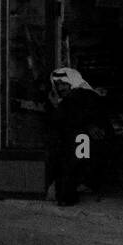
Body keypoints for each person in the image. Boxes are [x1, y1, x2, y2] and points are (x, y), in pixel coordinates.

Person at [46, 67, 111, 206]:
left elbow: (75, 119)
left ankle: (67, 194)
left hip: (89, 144)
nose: (61, 87)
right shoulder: (69, 98)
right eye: (57, 84)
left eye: (64, 83)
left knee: (72, 157)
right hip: (79, 142)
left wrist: (57, 106)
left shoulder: (83, 96)